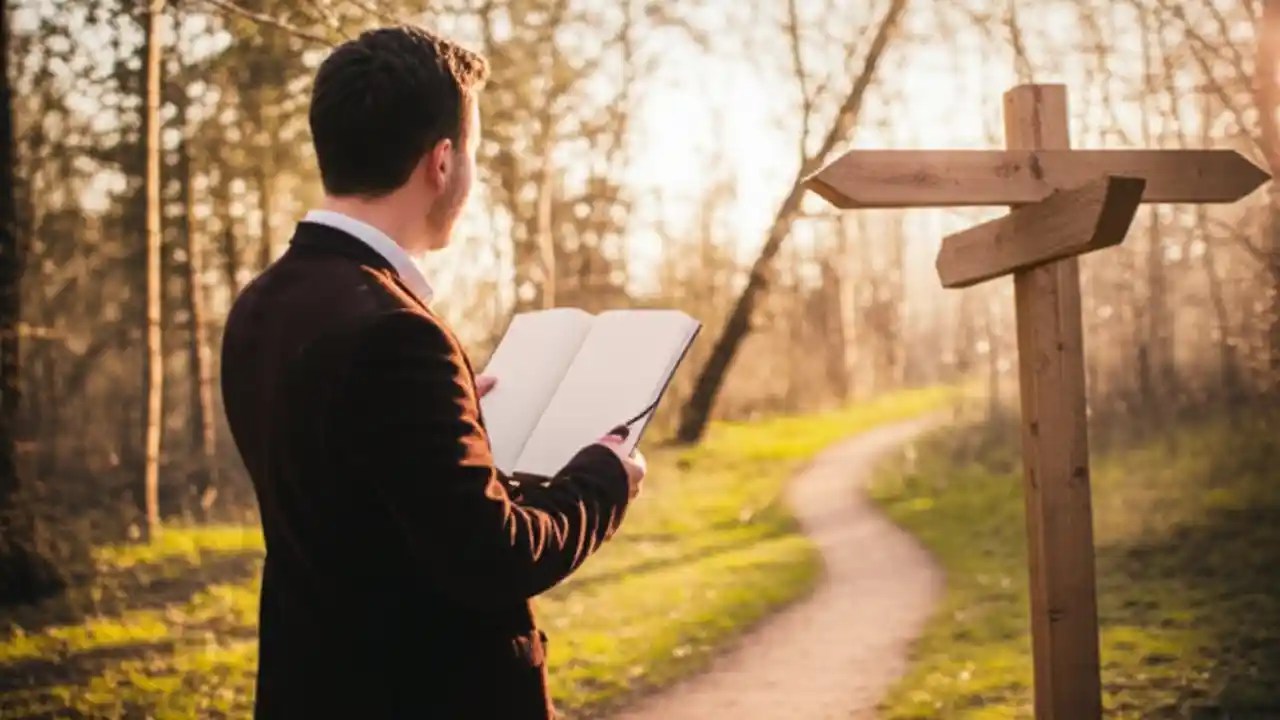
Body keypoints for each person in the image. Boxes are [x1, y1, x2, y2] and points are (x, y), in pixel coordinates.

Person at [219, 25, 645, 720]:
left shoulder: (263, 301)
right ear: (442, 161)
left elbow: (348, 481)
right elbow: (492, 559)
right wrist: (602, 479)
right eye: (471, 151)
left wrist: (450, 422)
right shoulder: (397, 332)